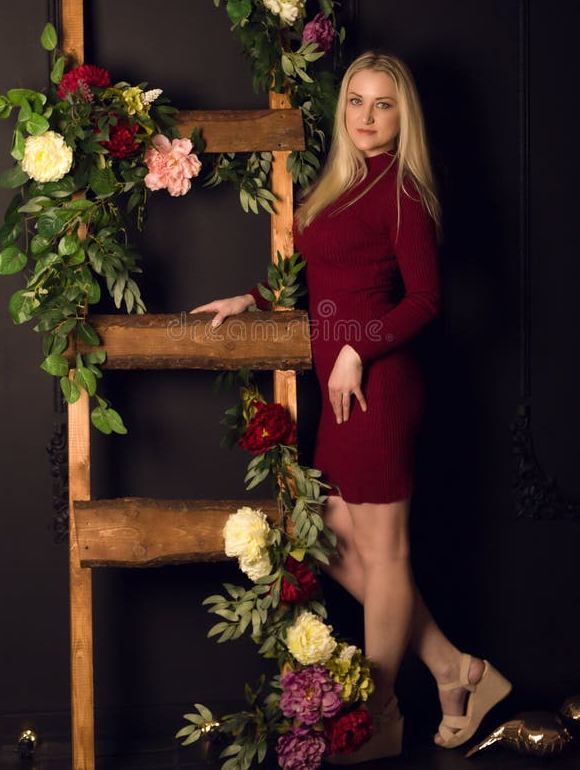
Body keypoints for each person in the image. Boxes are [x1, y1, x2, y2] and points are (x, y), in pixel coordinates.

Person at [190, 51, 511, 762]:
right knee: (331, 535)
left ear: (403, 115)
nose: (367, 116)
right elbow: (322, 275)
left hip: (379, 387)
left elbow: (426, 299)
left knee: (385, 552)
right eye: (357, 102)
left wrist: (358, 348)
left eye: (383, 104)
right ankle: (457, 670)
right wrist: (253, 298)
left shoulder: (402, 189)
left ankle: (383, 712)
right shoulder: (338, 182)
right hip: (339, 390)